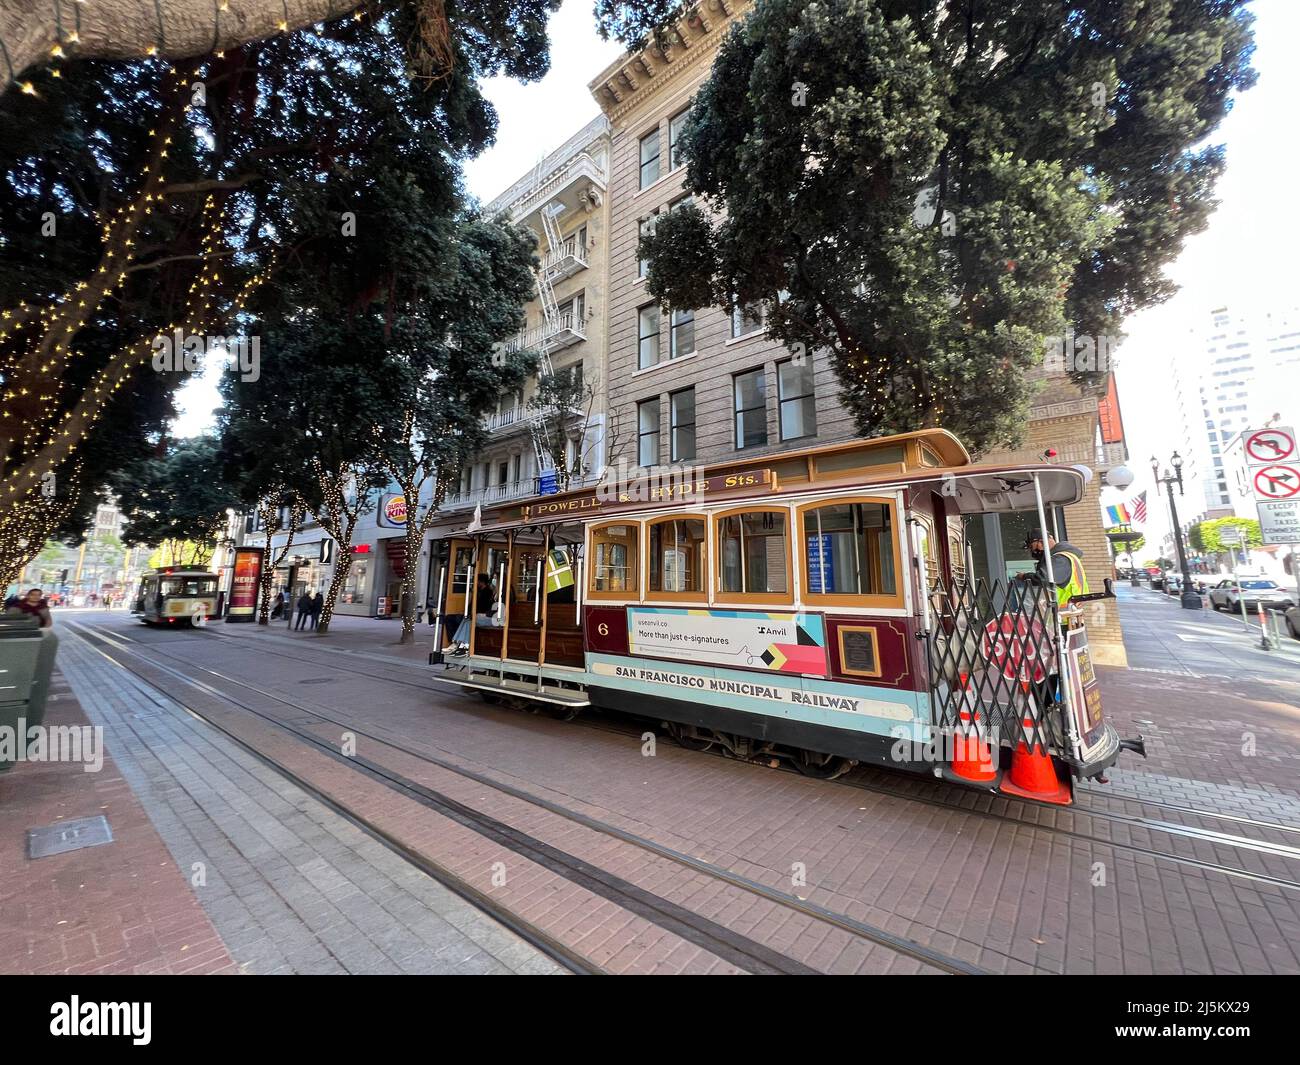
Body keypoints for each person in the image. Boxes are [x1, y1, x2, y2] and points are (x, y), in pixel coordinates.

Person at [1018, 528, 1089, 613]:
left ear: (1042, 542)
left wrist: (1024, 577)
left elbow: (1044, 578)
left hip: (1062, 617)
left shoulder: (1060, 559)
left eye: (1033, 547)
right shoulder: (1064, 557)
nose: (1034, 551)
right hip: (1066, 616)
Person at [449, 574, 497, 656]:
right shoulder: (480, 591)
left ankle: (463, 645)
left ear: (481, 581)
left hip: (489, 617)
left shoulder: (488, 592)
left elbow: (488, 608)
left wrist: (480, 614)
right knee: (460, 619)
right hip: (481, 614)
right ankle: (457, 642)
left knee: (470, 619)